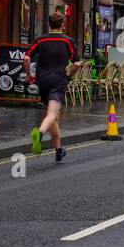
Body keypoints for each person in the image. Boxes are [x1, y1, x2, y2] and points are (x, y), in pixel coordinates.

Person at [26, 11, 80, 162]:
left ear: (49, 24)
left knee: (53, 116)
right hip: (58, 81)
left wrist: (29, 74)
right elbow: (77, 63)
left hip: (42, 82)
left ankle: (58, 150)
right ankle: (40, 133)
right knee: (51, 115)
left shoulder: (40, 40)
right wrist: (69, 76)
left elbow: (26, 58)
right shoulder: (67, 41)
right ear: (62, 25)